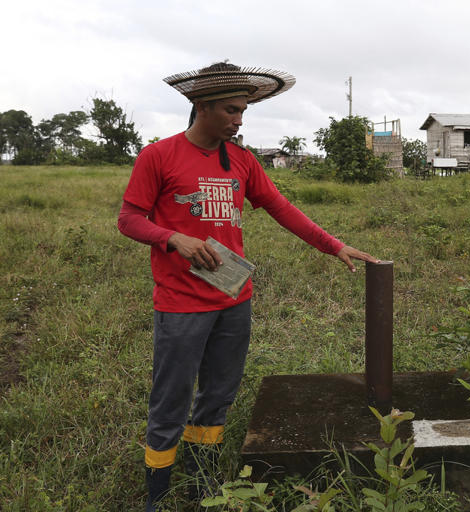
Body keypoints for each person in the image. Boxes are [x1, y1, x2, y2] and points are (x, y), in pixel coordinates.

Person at [117, 62, 378, 511]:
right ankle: (157, 496)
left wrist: (333, 246)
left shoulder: (241, 160)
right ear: (202, 106)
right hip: (181, 303)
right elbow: (129, 219)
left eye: (243, 111)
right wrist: (173, 238)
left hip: (234, 298)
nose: (239, 120)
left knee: (217, 396)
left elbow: (281, 207)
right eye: (231, 110)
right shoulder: (158, 156)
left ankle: (201, 484)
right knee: (171, 399)